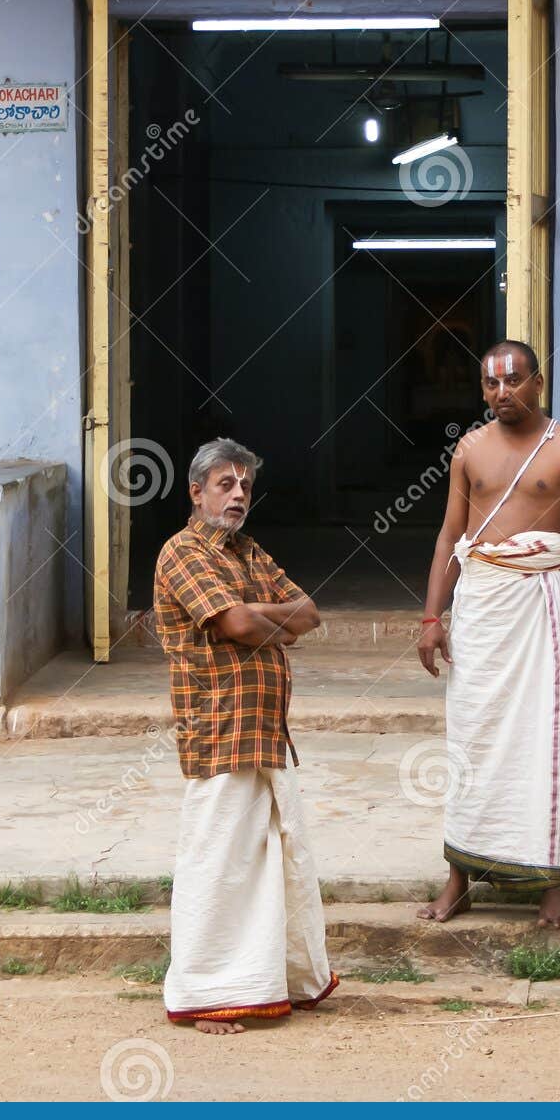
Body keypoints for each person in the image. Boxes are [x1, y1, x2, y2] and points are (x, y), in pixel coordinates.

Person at [416, 340, 560, 929]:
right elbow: (451, 538)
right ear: (481, 390)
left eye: (514, 381)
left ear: (538, 382)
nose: (503, 393)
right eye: (492, 384)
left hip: (540, 610)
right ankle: (459, 880)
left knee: (541, 742)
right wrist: (431, 618)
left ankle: (551, 888)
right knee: (470, 737)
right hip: (482, 607)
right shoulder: (468, 451)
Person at [153, 437, 339, 1033]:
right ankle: (204, 995)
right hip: (220, 730)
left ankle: (264, 983)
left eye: (245, 487)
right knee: (218, 865)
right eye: (225, 485)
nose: (237, 496)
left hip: (262, 732)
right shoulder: (183, 553)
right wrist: (263, 616)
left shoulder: (248, 552)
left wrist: (260, 615)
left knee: (268, 863)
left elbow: (310, 613)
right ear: (196, 491)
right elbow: (234, 623)